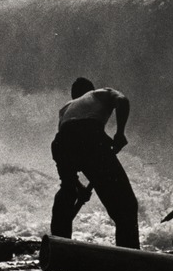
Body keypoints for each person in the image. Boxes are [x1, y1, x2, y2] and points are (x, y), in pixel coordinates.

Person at [50, 77, 140, 249]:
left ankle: (58, 247)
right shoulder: (100, 93)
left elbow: (65, 148)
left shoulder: (66, 108)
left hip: (61, 142)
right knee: (126, 206)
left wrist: (78, 187)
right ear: (90, 89)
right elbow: (122, 100)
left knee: (67, 190)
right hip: (89, 137)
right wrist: (120, 132)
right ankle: (129, 255)